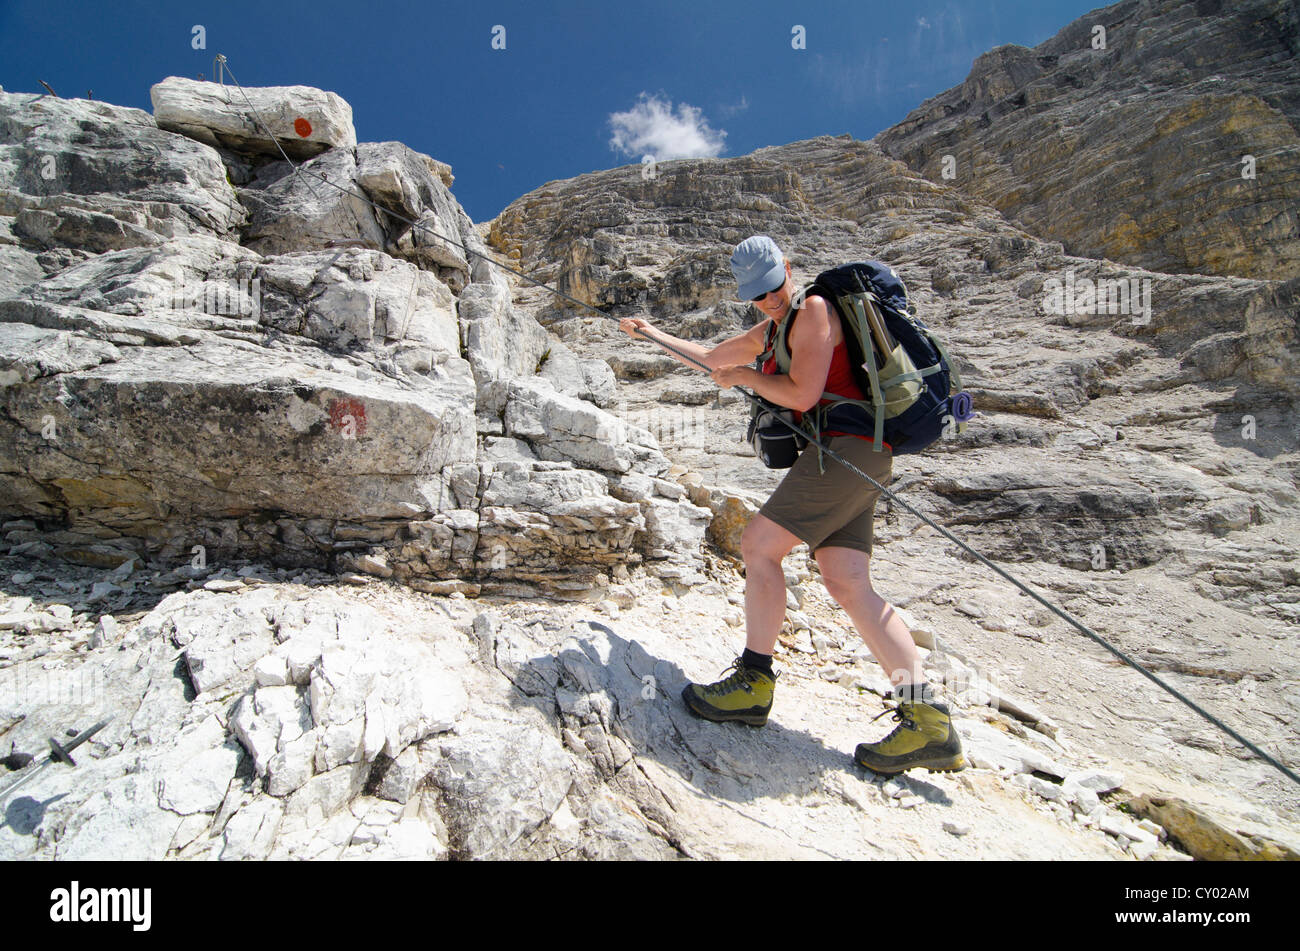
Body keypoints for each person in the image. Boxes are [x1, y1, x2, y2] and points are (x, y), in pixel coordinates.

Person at [619, 235, 964, 775]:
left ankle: (754, 684)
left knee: (757, 545)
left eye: (774, 287)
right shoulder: (774, 327)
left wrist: (749, 378)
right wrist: (651, 332)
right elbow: (711, 358)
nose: (769, 300)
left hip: (846, 451)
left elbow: (802, 395)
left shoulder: (814, 311)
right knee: (847, 580)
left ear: (788, 269)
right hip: (854, 455)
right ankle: (929, 723)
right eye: (757, 295)